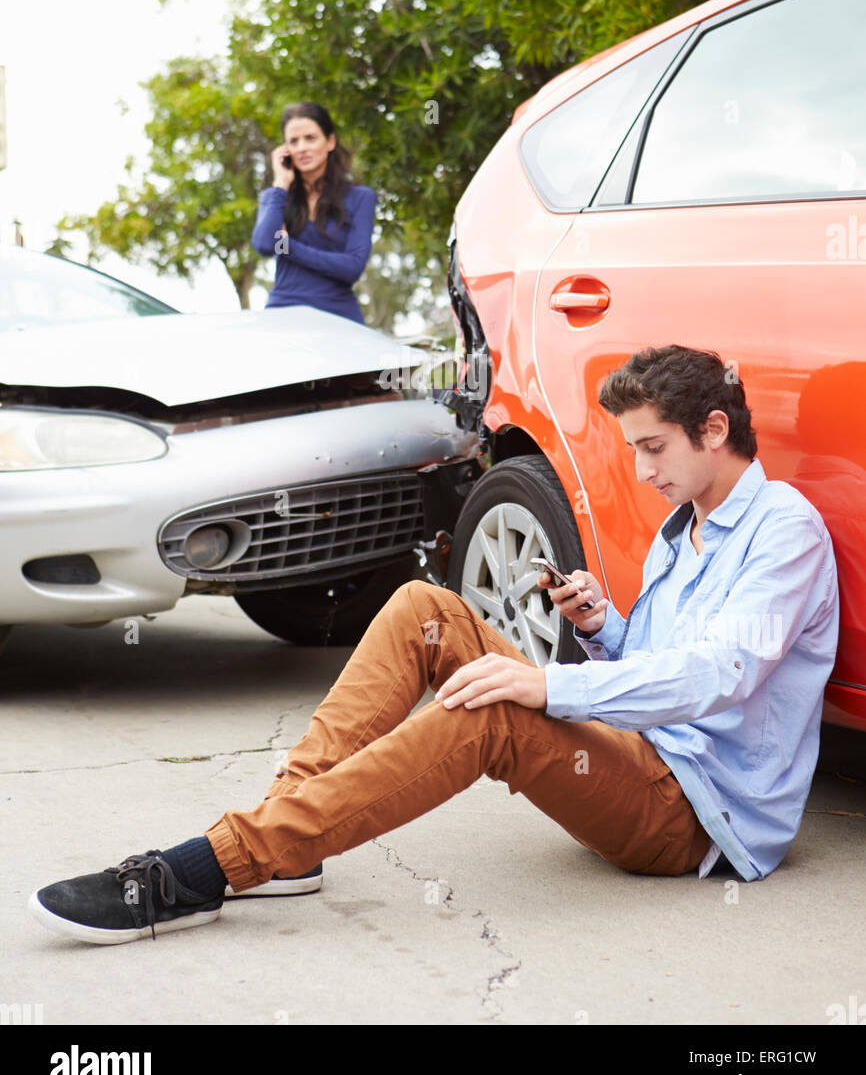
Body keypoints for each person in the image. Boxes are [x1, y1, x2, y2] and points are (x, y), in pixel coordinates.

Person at [28, 345, 840, 944]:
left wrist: (546, 687)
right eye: (632, 450)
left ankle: (207, 869)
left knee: (491, 709)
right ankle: (288, 844)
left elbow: (723, 676)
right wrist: (602, 631)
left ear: (715, 428)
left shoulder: (785, 533)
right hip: (636, 752)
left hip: (693, 816)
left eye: (653, 448)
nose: (641, 471)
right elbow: (653, 669)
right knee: (426, 606)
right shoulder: (681, 528)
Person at [251, 101, 375, 324]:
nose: (301, 148)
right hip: (283, 315)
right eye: (293, 141)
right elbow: (264, 245)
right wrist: (281, 182)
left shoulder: (360, 197)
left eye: (310, 138)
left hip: (339, 318)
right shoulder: (275, 197)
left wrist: (289, 247)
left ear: (330, 141)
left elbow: (352, 268)